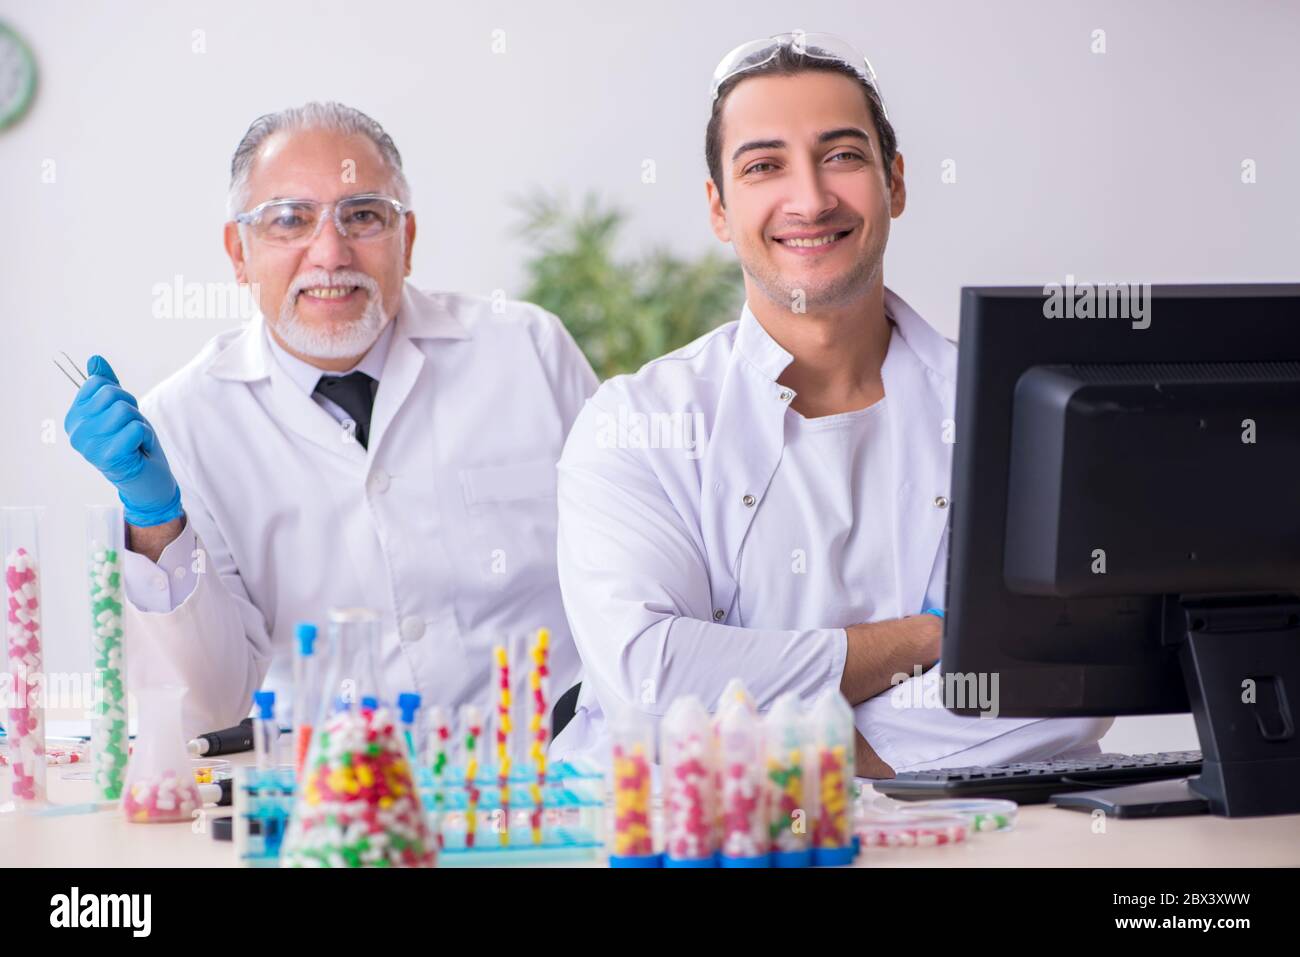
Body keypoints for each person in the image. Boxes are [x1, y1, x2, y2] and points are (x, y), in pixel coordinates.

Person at [551, 34, 1112, 774]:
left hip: (963, 833)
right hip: (684, 841)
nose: (810, 199)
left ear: (896, 184)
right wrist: (926, 638)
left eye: (842, 156)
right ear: (720, 208)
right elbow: (651, 684)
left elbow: (1067, 674)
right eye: (764, 166)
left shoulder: (1012, 415)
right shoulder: (637, 423)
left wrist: (803, 748)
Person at [63, 102, 597, 737]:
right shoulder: (184, 421)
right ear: (239, 252)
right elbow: (210, 703)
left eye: (363, 215)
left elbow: (624, 575)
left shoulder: (527, 349)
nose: (330, 252)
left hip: (552, 775)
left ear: (408, 238)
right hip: (325, 799)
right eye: (289, 220)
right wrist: (156, 525)